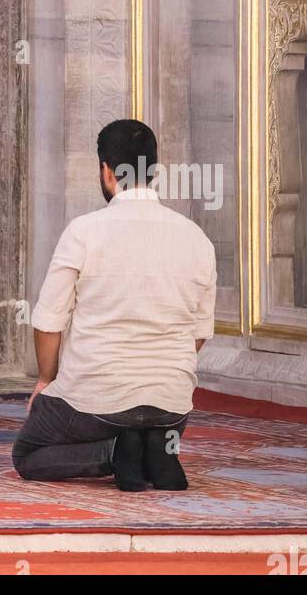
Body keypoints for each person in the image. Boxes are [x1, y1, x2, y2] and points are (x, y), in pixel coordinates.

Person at [12, 119, 216, 492]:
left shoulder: (84, 231)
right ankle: (154, 445)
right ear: (154, 172)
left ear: (106, 171)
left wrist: (47, 380)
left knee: (28, 453)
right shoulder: (196, 238)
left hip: (97, 406)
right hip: (170, 406)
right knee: (152, 414)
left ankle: (116, 451)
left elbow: (48, 323)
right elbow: (199, 335)